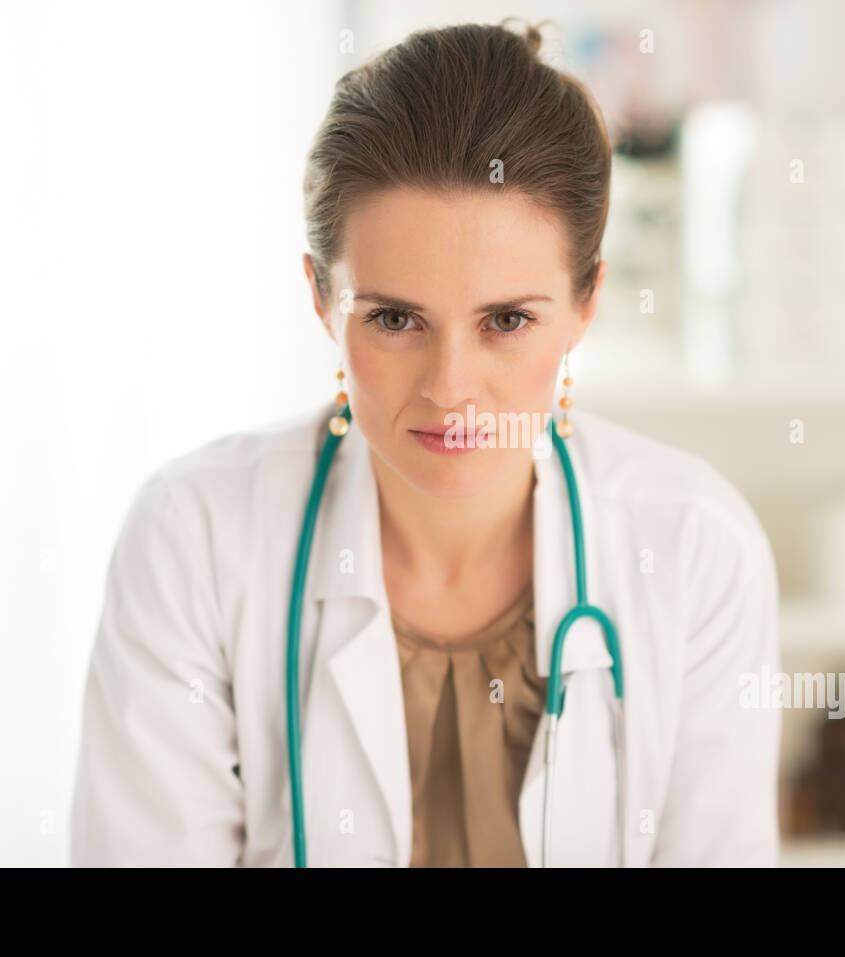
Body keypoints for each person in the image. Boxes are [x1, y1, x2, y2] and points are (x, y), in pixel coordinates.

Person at [69, 19, 780, 867]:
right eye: (396, 319)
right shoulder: (194, 539)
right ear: (321, 297)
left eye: (507, 320)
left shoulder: (696, 546)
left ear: (586, 300)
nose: (451, 388)